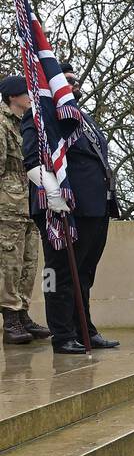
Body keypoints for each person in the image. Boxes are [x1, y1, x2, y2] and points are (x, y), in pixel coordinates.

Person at [20, 62, 118, 354]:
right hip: (64, 208)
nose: (73, 87)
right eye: (67, 81)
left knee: (85, 274)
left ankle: (84, 330)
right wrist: (51, 191)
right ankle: (62, 335)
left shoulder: (80, 118)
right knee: (60, 274)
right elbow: (31, 158)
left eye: (75, 82)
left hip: (95, 206)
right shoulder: (39, 116)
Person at [1, 76, 50, 345]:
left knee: (29, 264)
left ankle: (22, 313)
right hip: (8, 208)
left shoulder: (27, 124)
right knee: (10, 264)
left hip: (29, 206)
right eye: (25, 93)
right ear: (12, 97)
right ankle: (10, 318)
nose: (30, 97)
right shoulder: (2, 124)